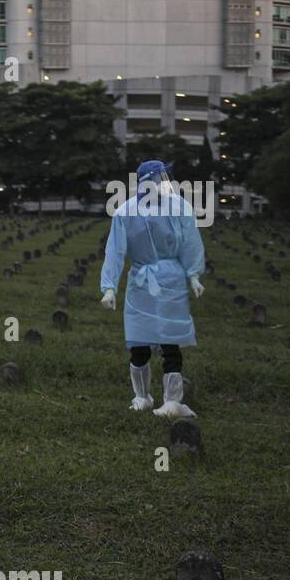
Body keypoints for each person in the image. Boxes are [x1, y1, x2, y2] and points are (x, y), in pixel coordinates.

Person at [100, 159, 206, 418]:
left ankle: (172, 400)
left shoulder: (179, 207)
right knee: (139, 340)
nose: (166, 181)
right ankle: (142, 397)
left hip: (169, 280)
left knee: (170, 340)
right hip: (142, 280)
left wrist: (194, 275)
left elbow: (190, 242)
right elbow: (115, 250)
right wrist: (109, 286)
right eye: (163, 176)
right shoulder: (126, 212)